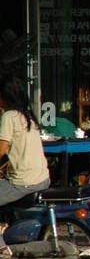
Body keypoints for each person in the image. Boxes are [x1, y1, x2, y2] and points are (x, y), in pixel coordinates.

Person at [0, 74, 50, 210]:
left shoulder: (9, 116)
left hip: (24, 182)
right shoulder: (27, 116)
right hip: (43, 179)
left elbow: (1, 150)